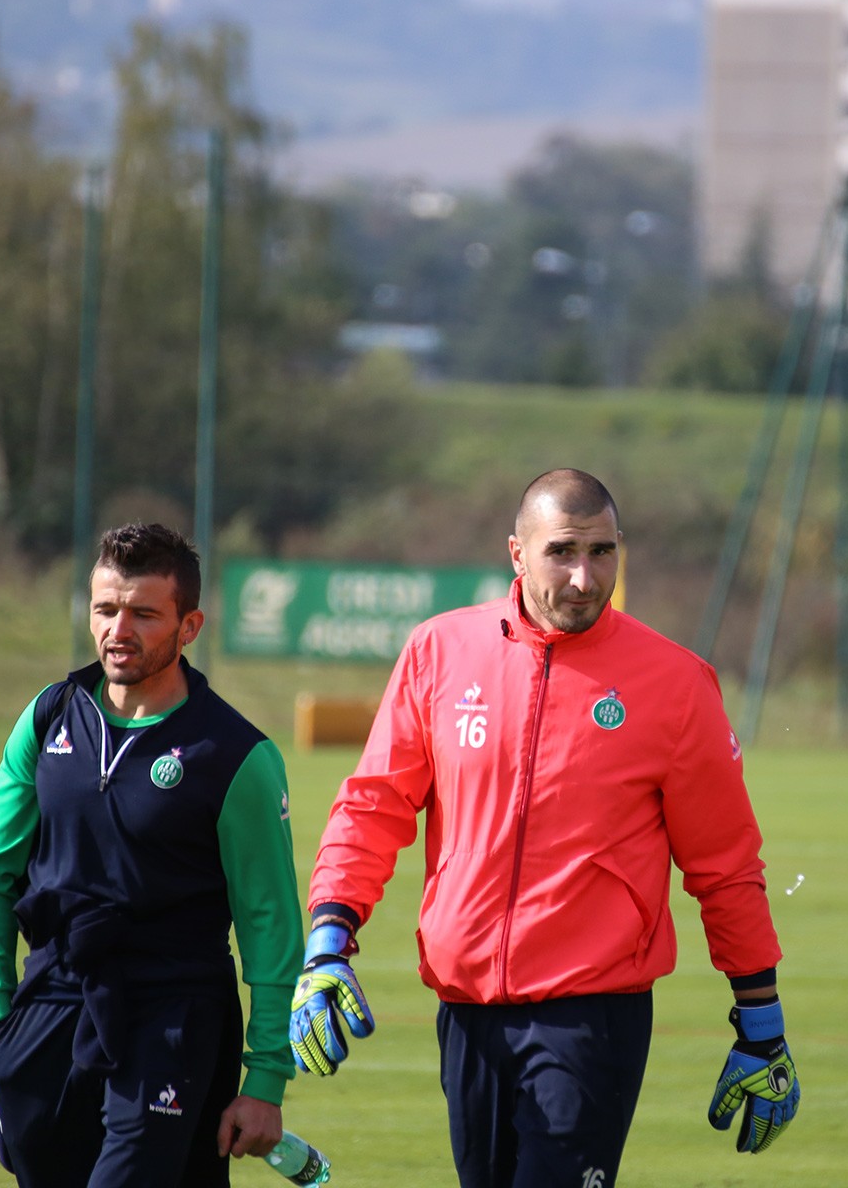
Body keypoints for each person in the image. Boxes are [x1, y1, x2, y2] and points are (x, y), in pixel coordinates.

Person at [289, 469, 800, 1188]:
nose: (585, 578)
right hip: (465, 1008)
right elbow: (373, 808)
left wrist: (761, 1020)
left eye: (603, 553)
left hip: (591, 1019)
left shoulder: (676, 684)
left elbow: (725, 863)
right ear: (517, 552)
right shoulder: (439, 652)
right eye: (562, 551)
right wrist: (327, 944)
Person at [0, 522, 304, 1188]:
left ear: (189, 625)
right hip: (51, 1003)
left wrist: (265, 1079)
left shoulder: (235, 756)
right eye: (106, 609)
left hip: (173, 1012)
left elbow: (270, 930)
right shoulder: (48, 718)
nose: (120, 629)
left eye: (145, 613)